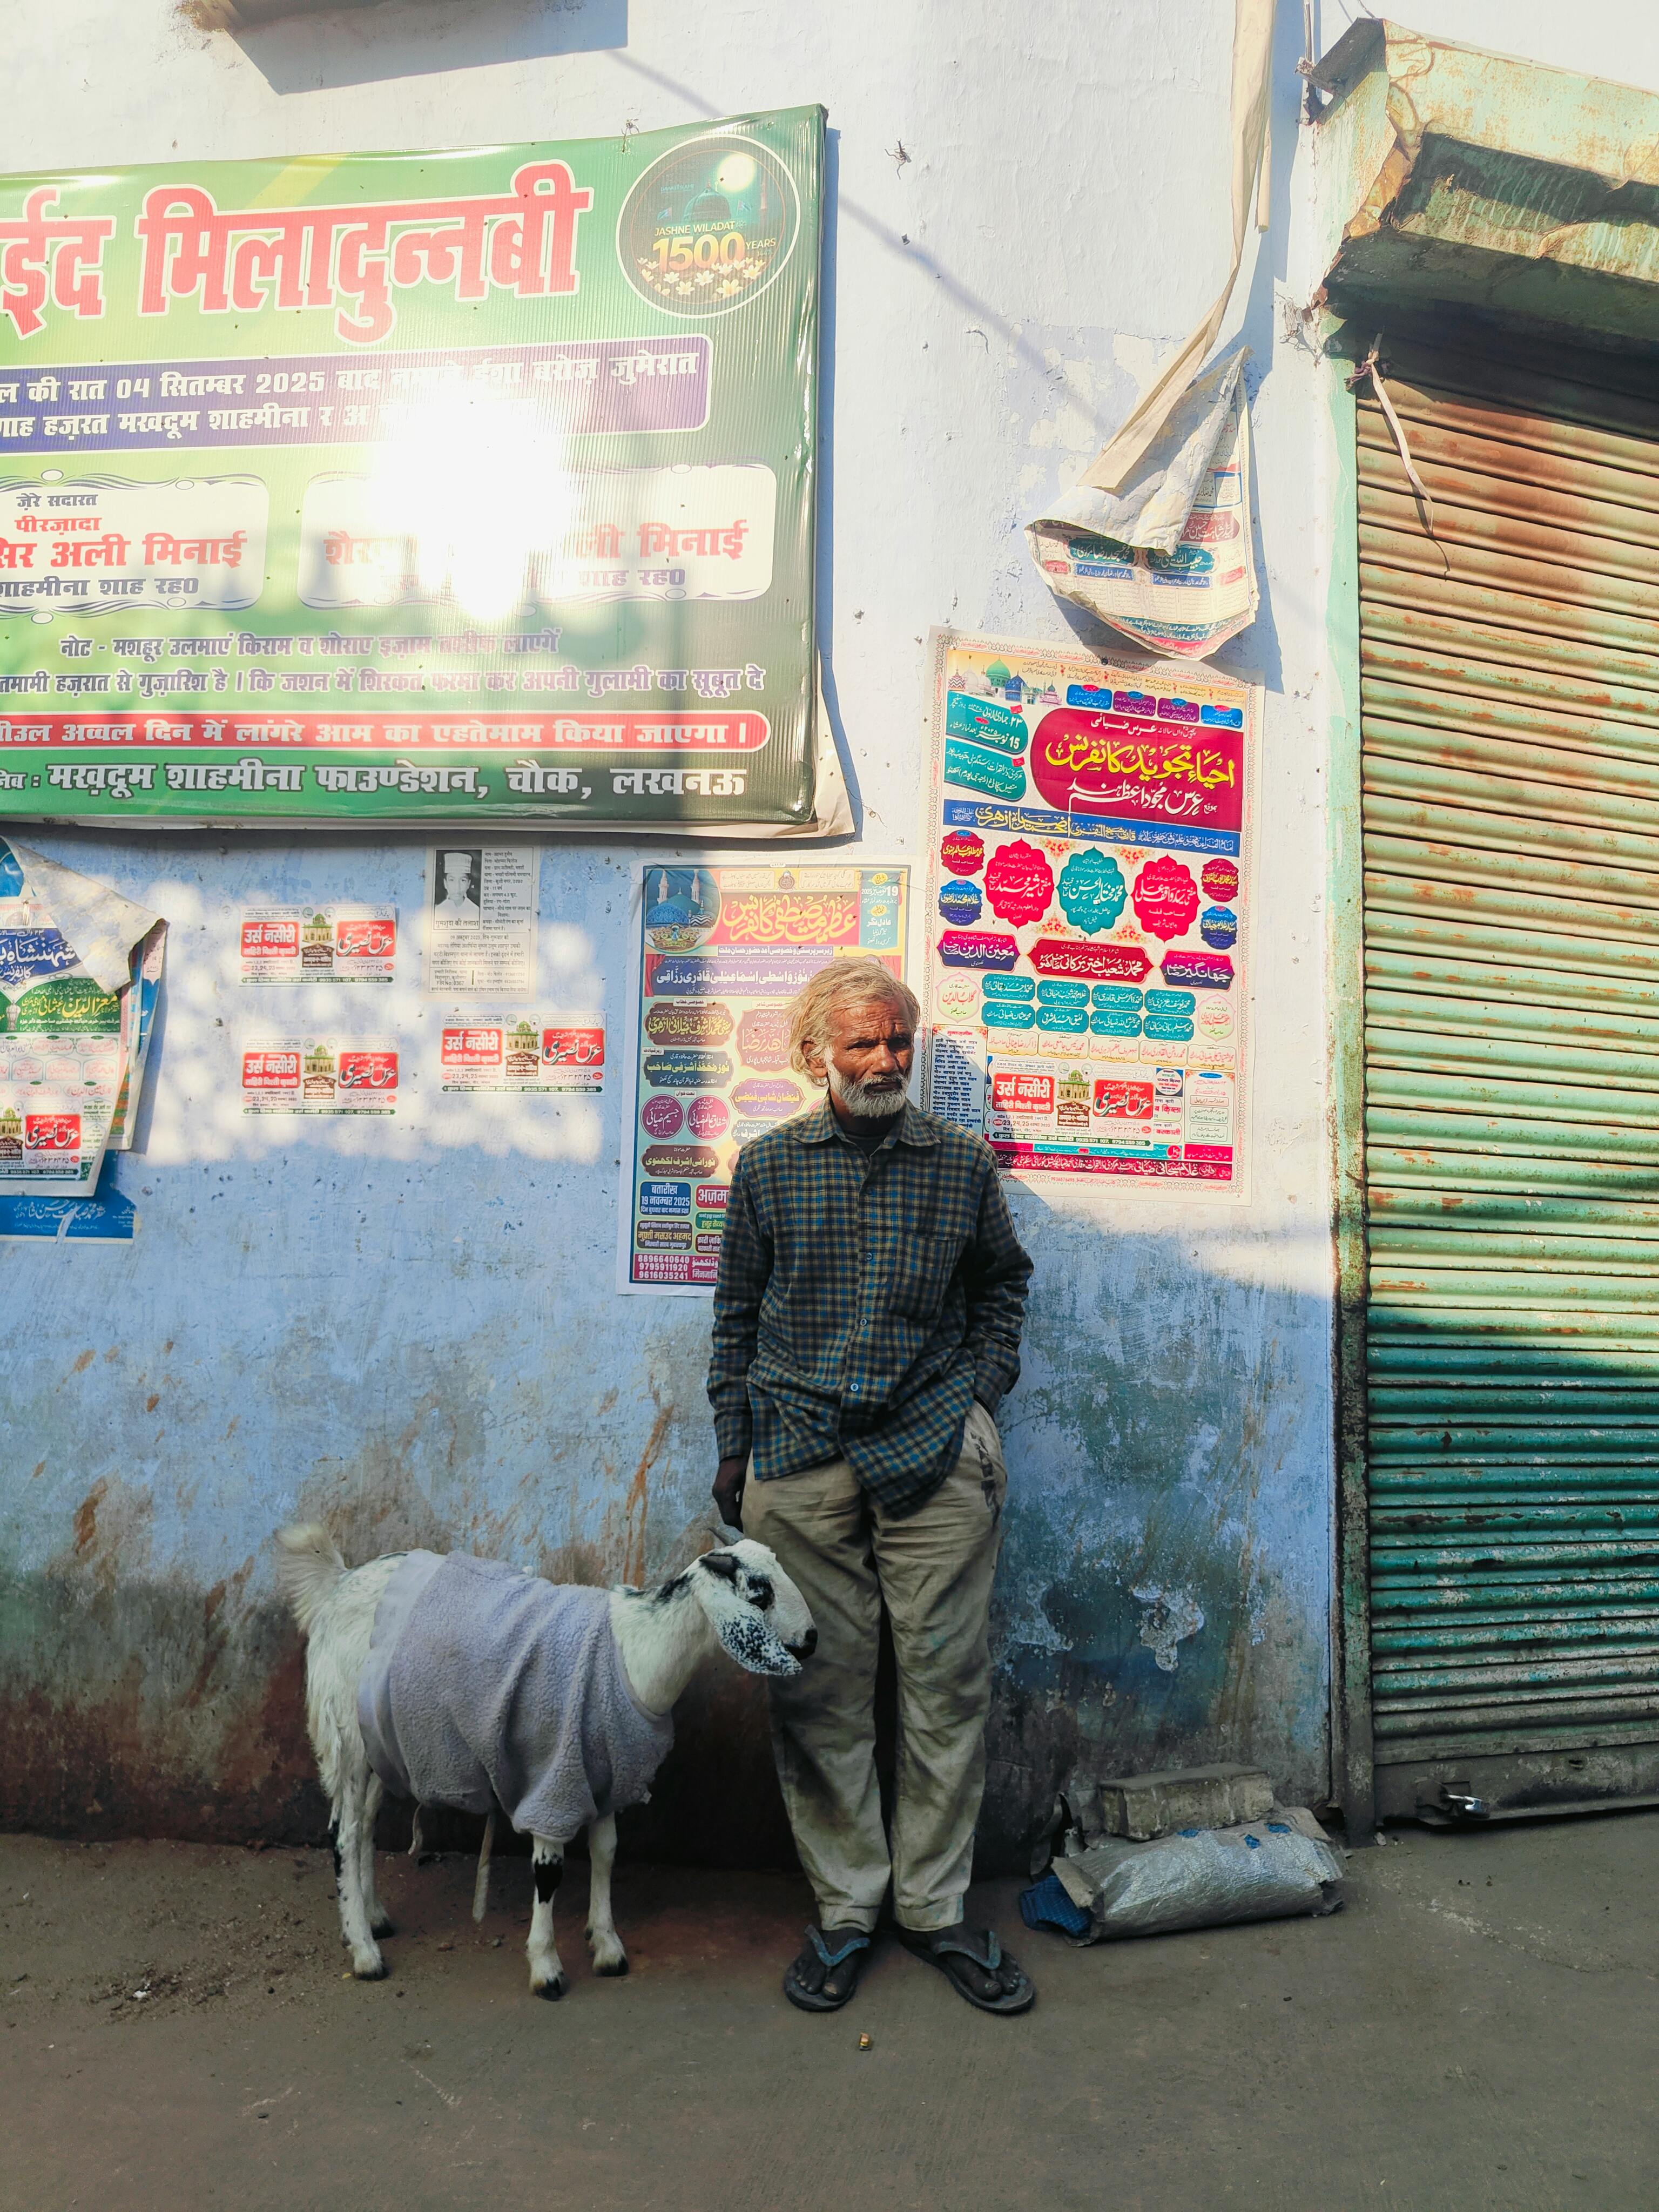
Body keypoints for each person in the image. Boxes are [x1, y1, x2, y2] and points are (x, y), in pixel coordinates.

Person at [707, 956, 1035, 2015]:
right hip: (797, 1445)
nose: (887, 1059)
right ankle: (849, 1908)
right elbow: (735, 1318)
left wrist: (979, 1397)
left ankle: (936, 1910)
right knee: (815, 1686)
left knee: (947, 1682)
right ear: (816, 1056)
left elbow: (1003, 1288)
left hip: (935, 1442)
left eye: (899, 1040)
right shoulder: (765, 1168)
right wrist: (732, 1442)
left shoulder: (960, 1166)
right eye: (863, 1042)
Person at [433, 851, 482, 921]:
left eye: (463, 880)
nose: (457, 887)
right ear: (445, 883)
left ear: (469, 883)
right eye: (452, 880)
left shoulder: (476, 911)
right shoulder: (437, 911)